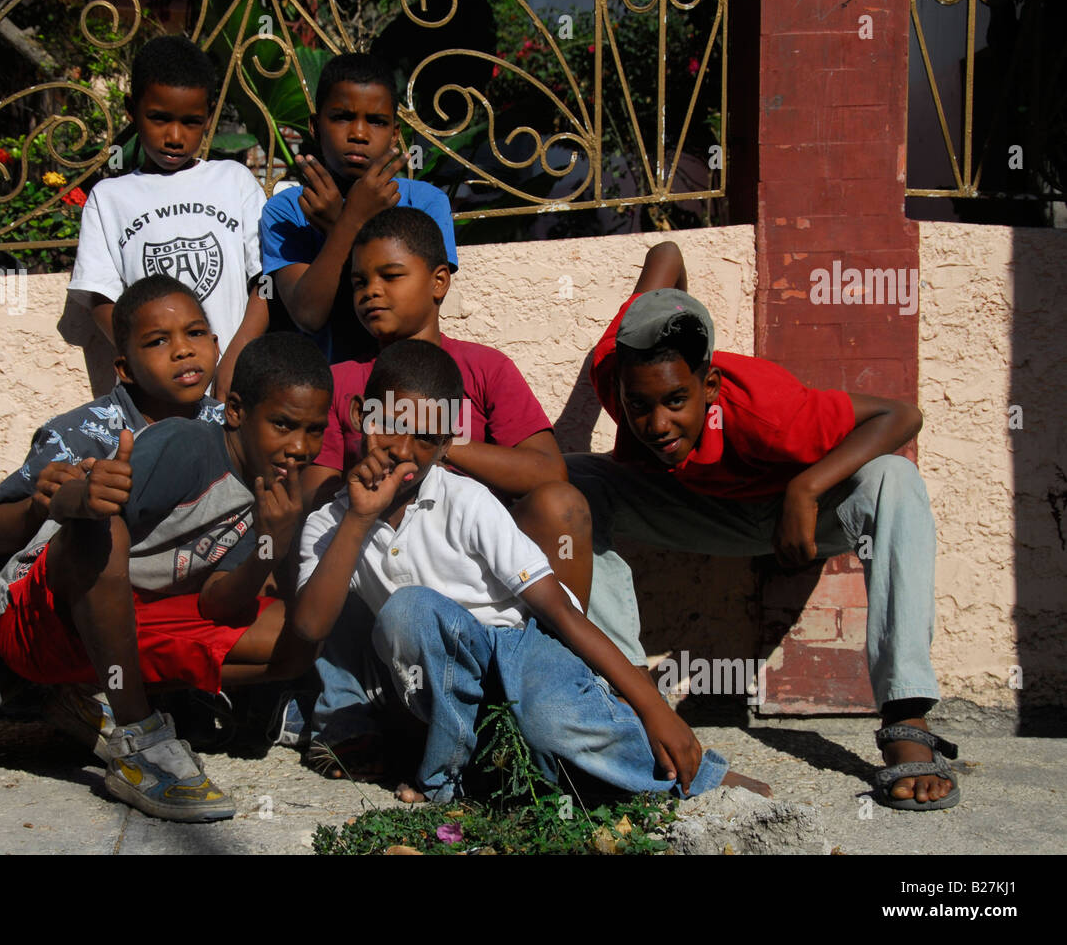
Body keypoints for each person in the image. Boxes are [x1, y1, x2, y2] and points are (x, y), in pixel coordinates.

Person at [0, 278, 331, 822]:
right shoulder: (85, 430)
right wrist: (57, 502)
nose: (184, 349)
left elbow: (220, 590)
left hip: (122, 607)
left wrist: (276, 539)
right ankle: (117, 726)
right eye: (158, 341)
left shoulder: (242, 433)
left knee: (277, 630)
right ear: (122, 367)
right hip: (13, 583)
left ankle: (90, 690)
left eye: (197, 333)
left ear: (218, 346)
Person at [567, 240, 959, 811]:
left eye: (677, 400)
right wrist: (671, 282)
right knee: (566, 484)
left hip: (795, 519)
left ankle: (905, 716)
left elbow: (902, 415)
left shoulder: (770, 410)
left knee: (894, 479)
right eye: (639, 406)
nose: (656, 424)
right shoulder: (616, 364)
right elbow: (667, 252)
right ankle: (631, 699)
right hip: (696, 512)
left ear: (711, 387)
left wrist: (807, 489)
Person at [294, 339, 768, 804]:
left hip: (517, 647)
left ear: (445, 444)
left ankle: (693, 775)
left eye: (426, 438)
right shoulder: (330, 524)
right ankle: (449, 779)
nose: (401, 449)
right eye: (390, 424)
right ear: (359, 414)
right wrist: (358, 518)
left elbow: (557, 610)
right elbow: (312, 626)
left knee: (553, 722)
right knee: (408, 610)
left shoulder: (467, 502)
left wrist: (651, 705)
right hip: (438, 691)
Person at [289, 208, 593, 780]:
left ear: (438, 282)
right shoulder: (346, 381)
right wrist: (368, 488)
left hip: (474, 573)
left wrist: (436, 447)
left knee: (564, 507)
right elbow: (315, 485)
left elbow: (549, 470)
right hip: (384, 566)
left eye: (389, 276)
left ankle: (565, 678)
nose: (370, 292)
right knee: (329, 544)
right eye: (359, 281)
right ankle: (347, 721)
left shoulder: (483, 367)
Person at [66, 34, 268, 400]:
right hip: (152, 401)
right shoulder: (109, 198)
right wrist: (150, 359)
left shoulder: (234, 182)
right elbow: (100, 297)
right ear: (131, 108)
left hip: (233, 388)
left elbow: (265, 283)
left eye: (191, 122)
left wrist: (236, 356)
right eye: (159, 118)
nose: (175, 137)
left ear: (208, 116)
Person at [259, 52, 458, 363]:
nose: (359, 134)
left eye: (377, 122)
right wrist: (349, 220)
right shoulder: (288, 210)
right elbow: (309, 315)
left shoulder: (425, 202)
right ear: (315, 126)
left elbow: (415, 306)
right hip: (326, 389)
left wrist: (339, 224)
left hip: (408, 375)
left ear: (395, 133)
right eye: (341, 117)